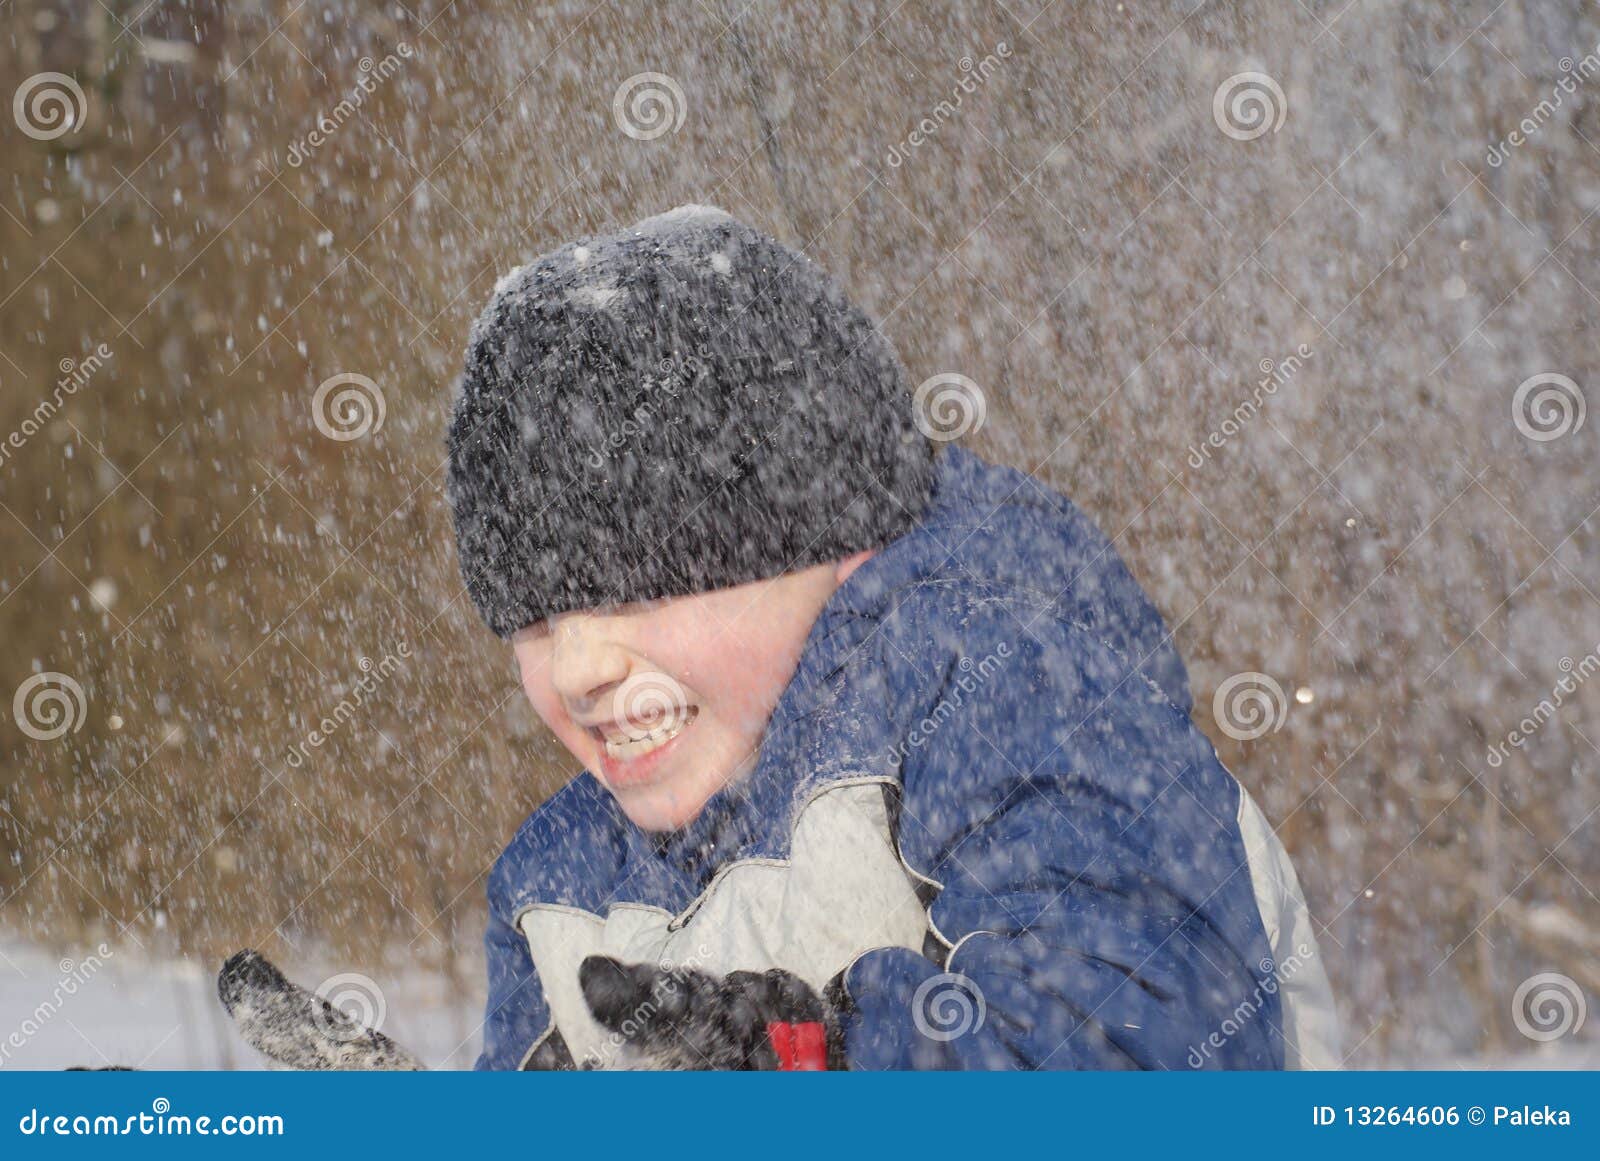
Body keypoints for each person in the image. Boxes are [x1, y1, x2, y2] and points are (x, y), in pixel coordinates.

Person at [445, 205, 1341, 1070]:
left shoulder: (1004, 688)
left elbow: (1142, 1055)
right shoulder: (558, 886)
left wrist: (813, 1061)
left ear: (833, 544)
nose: (577, 668)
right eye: (533, 621)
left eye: (633, 593)